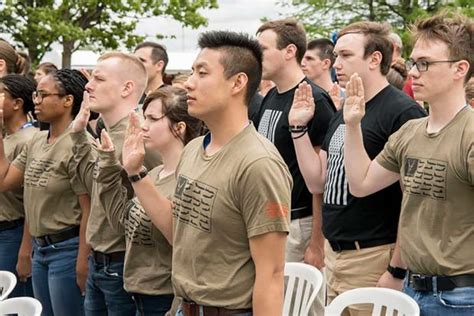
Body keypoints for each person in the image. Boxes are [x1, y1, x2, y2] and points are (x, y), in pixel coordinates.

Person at [120, 30, 292, 316]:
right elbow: (178, 232)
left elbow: (272, 274)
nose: (189, 83)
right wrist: (136, 172)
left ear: (238, 82)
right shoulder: (195, 148)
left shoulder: (258, 163)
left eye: (202, 73)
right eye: (192, 72)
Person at [289, 21, 426, 315]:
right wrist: (298, 128)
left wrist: (396, 269)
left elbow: (411, 201)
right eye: (336, 55)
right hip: (334, 254)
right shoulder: (347, 110)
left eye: (346, 55)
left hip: (373, 256)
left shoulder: (403, 112)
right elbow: (317, 182)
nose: (336, 63)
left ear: (375, 59)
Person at [343, 13, 473, 315]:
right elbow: (361, 184)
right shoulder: (410, 131)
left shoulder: (470, 135)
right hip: (411, 290)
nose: (413, 72)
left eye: (425, 63)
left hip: (461, 298)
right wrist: (353, 125)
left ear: (459, 69)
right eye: (413, 62)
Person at [254, 18, 335, 315]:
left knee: (301, 308)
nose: (255, 55)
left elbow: (321, 178)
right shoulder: (271, 96)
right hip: (270, 220)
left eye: (262, 48)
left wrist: (316, 241)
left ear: (289, 51)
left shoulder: (315, 99)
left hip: (298, 224)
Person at [71, 52, 161, 316]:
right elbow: (93, 187)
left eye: (99, 78)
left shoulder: (143, 139)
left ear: (127, 88)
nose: (88, 85)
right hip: (99, 262)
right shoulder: (106, 133)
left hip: (125, 265)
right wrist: (79, 134)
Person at [0, 69, 90, 315]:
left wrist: (83, 261)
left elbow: (88, 209)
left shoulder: (78, 143)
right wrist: (26, 248)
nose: (36, 101)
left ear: (68, 100)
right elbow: (6, 182)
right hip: (41, 250)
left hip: (67, 250)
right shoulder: (37, 141)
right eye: (35, 95)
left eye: (43, 95)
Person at [0, 74, 37, 298]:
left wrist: (26, 247)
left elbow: (33, 200)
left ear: (17, 103)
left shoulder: (29, 139)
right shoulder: (8, 137)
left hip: (13, 231)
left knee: (12, 299)